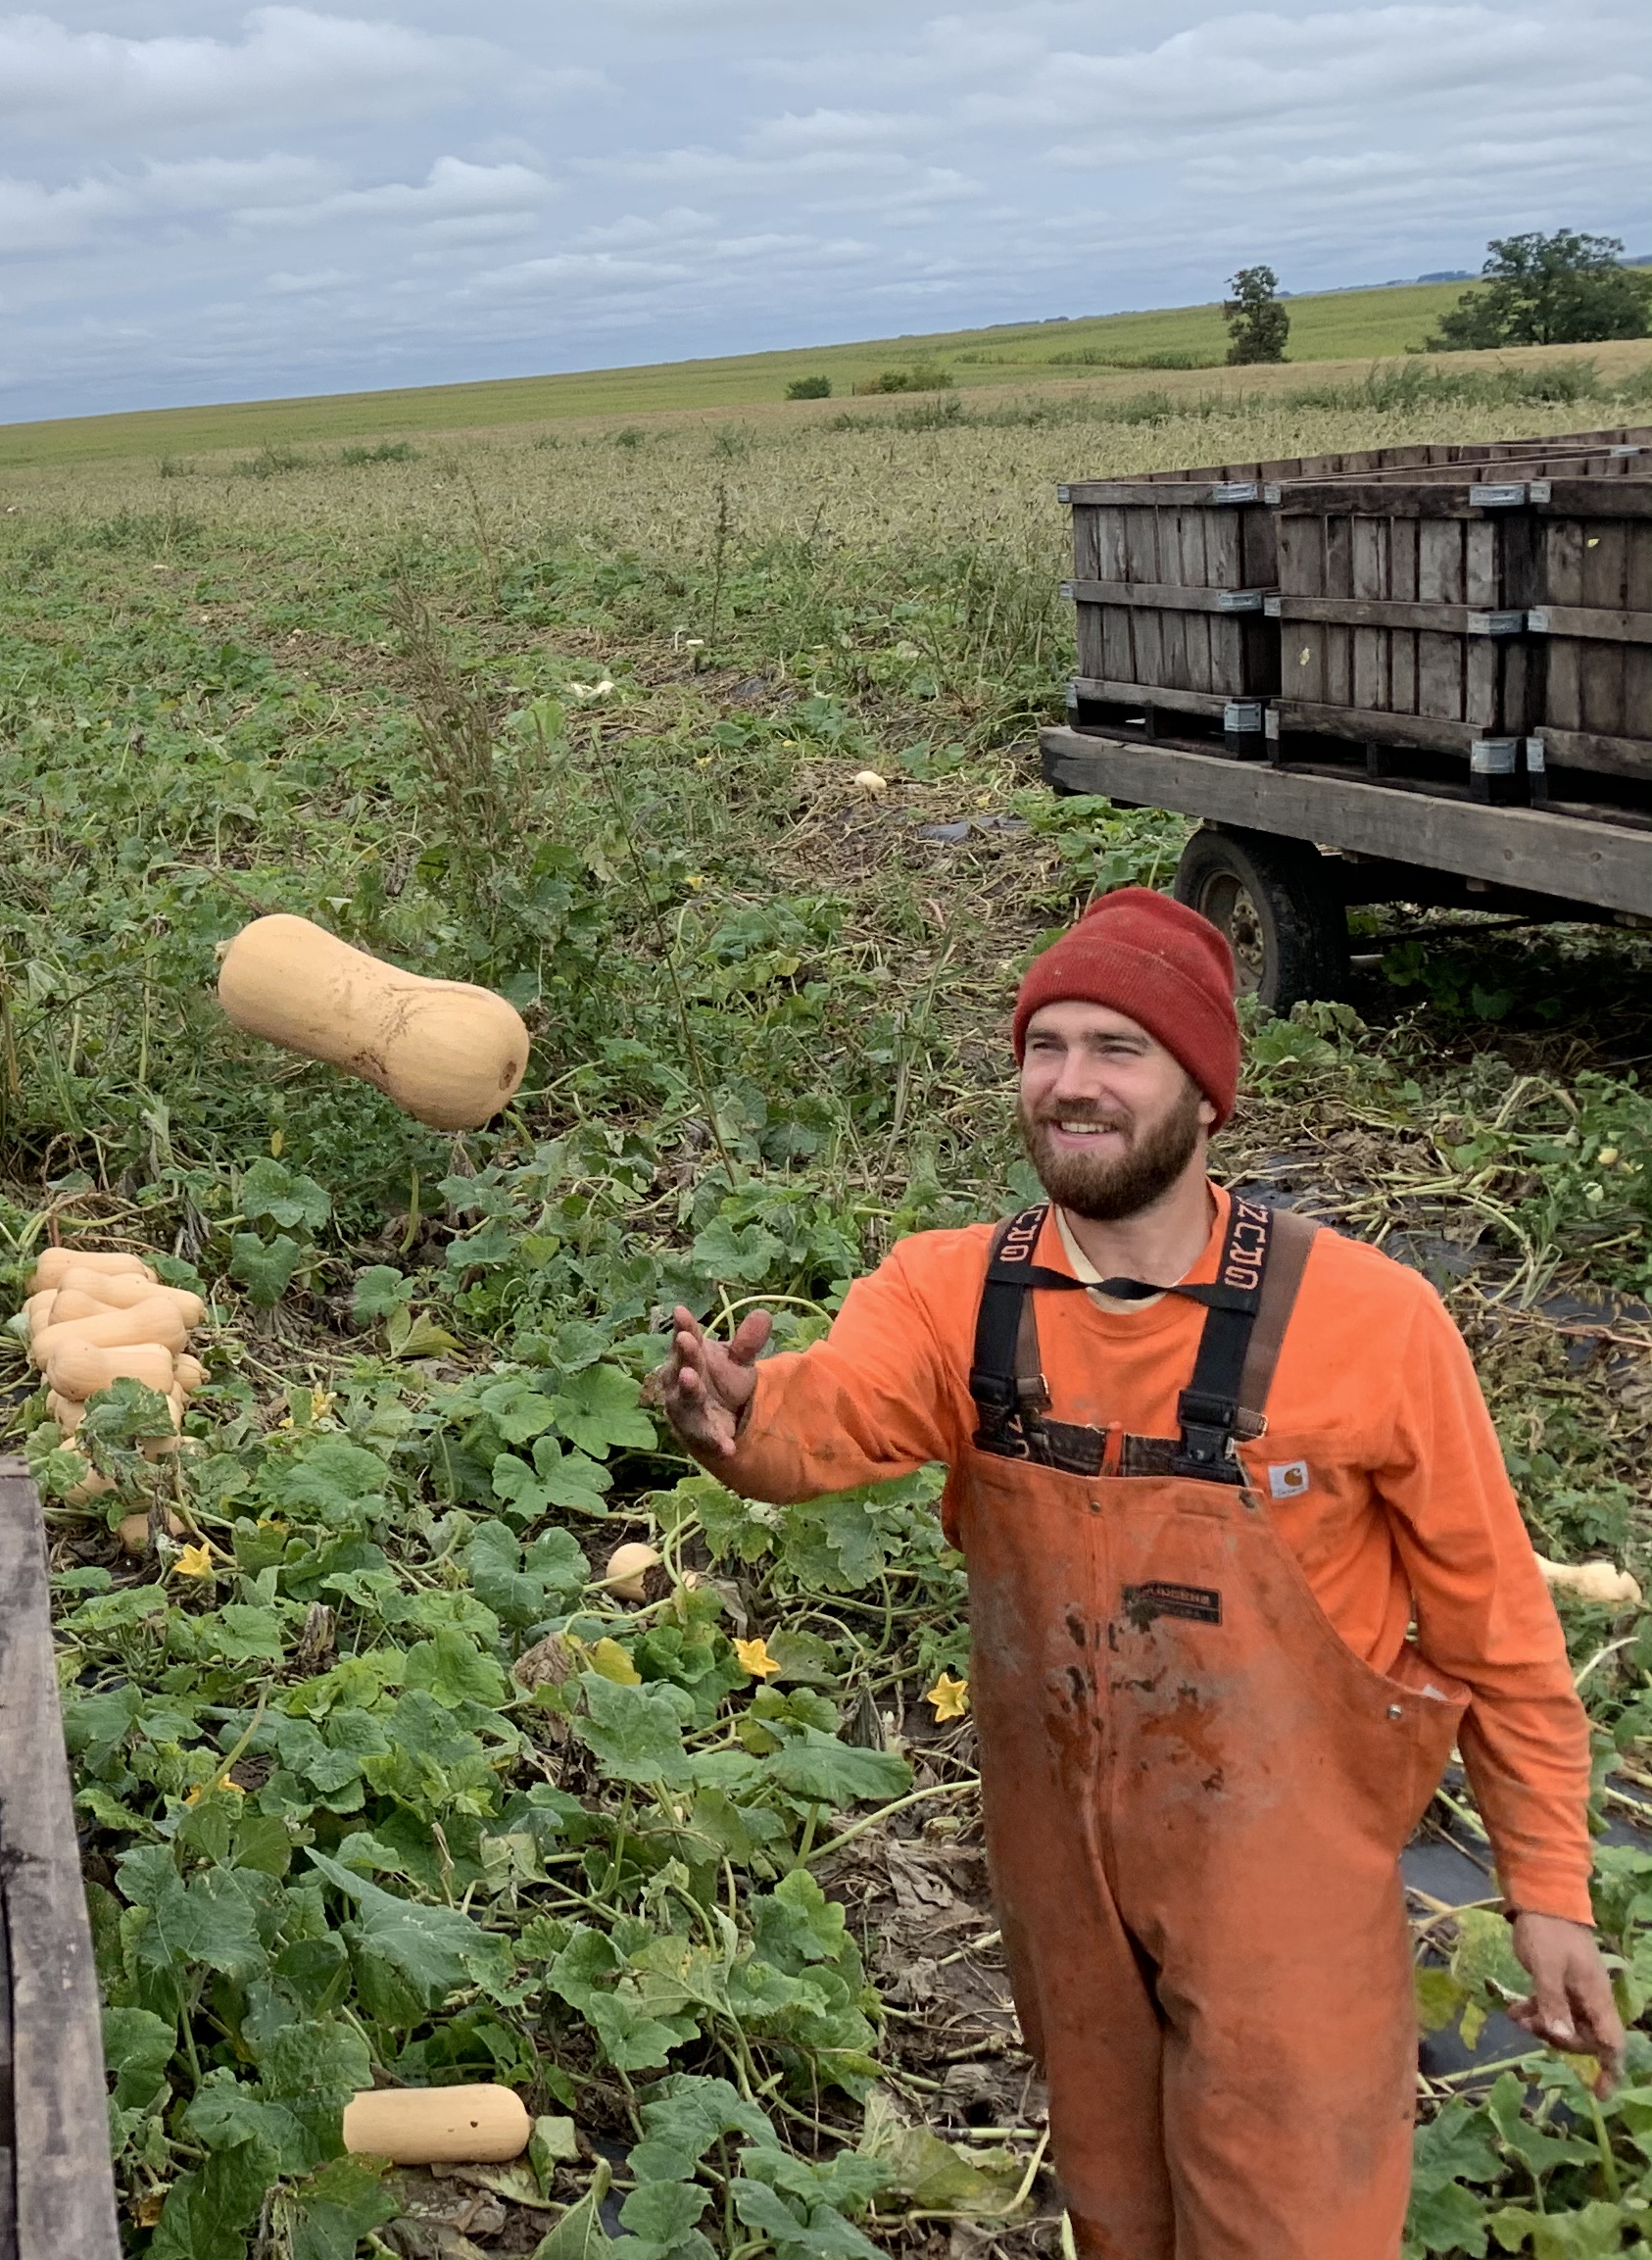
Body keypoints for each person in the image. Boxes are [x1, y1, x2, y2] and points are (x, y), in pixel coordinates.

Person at [645, 888, 1619, 2260]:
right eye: (1046, 1048)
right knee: (1114, 2218)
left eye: (1118, 1049)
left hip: (1289, 1910)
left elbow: (1497, 1631)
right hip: (1064, 1892)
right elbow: (835, 1408)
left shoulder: (1374, 1323)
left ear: (1207, 1093)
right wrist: (739, 1420)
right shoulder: (950, 1293)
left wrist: (1549, 1890)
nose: (1071, 1082)